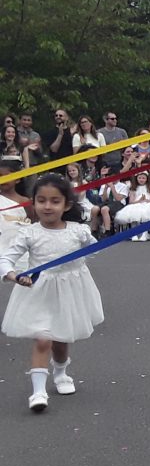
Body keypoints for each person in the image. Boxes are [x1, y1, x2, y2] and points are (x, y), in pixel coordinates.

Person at [0, 175, 106, 412]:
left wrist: (77, 263)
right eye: (41, 200)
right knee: (42, 337)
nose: (47, 206)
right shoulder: (29, 233)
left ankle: (61, 372)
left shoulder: (77, 231)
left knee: (60, 339)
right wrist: (13, 275)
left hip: (70, 289)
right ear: (34, 203)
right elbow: (5, 259)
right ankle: (38, 392)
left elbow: (93, 249)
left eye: (55, 201)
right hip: (38, 290)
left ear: (66, 205)